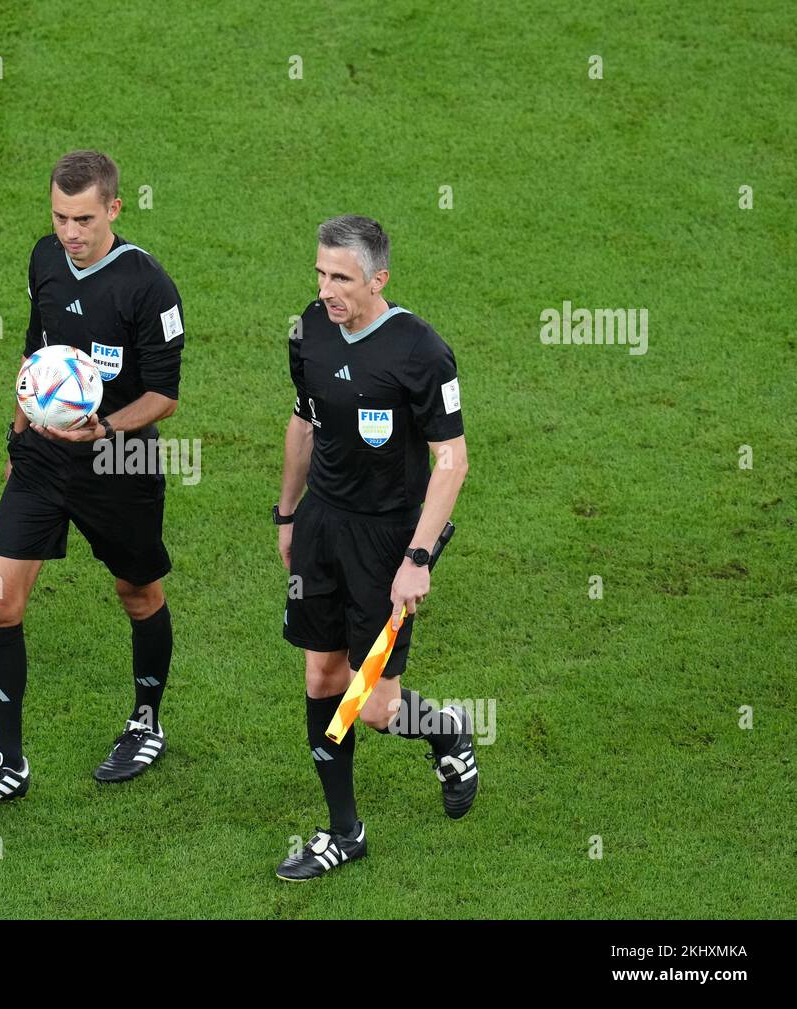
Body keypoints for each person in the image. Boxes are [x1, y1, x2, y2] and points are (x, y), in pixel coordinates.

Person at [0, 151, 184, 815]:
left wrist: (104, 429)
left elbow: (164, 395)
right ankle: (8, 760)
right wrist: (18, 431)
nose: (70, 231)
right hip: (44, 459)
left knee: (137, 593)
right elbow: (35, 347)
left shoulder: (148, 286)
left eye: (83, 217)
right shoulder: (44, 259)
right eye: (59, 216)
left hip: (120, 463)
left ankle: (145, 720)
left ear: (114, 208)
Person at [274, 215, 476, 880]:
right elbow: (303, 420)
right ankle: (343, 831)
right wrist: (286, 514)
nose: (326, 289)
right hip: (322, 524)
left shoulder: (421, 351)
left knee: (377, 704)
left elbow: (452, 460)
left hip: (387, 537)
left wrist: (417, 559)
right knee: (322, 679)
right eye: (321, 273)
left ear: (378, 279)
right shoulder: (309, 327)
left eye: (341, 278)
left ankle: (444, 730)